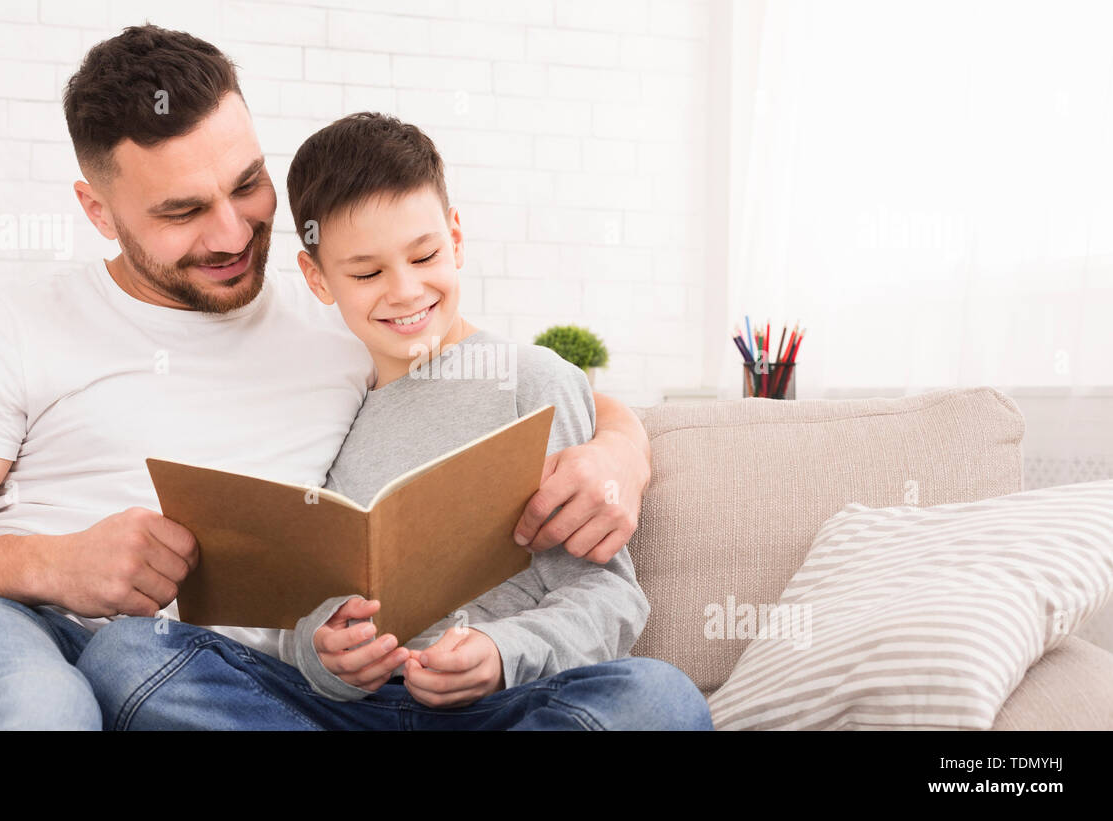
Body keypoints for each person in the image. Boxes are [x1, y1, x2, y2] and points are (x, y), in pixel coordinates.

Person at [0, 24, 659, 730]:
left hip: (220, 679)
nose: (231, 234)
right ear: (98, 211)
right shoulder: (13, 326)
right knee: (41, 709)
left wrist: (620, 451)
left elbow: (500, 379)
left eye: (248, 185)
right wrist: (51, 565)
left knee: (650, 698)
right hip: (12, 622)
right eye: (182, 212)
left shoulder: (338, 318)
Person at [68, 112, 713, 730]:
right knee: (126, 654)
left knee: (659, 699)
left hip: (506, 705)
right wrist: (326, 656)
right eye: (368, 272)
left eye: (426, 256)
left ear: (455, 238)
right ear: (318, 279)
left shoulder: (533, 382)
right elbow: (307, 617)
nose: (405, 291)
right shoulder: (330, 406)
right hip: (349, 713)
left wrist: (498, 653)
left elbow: (607, 596)